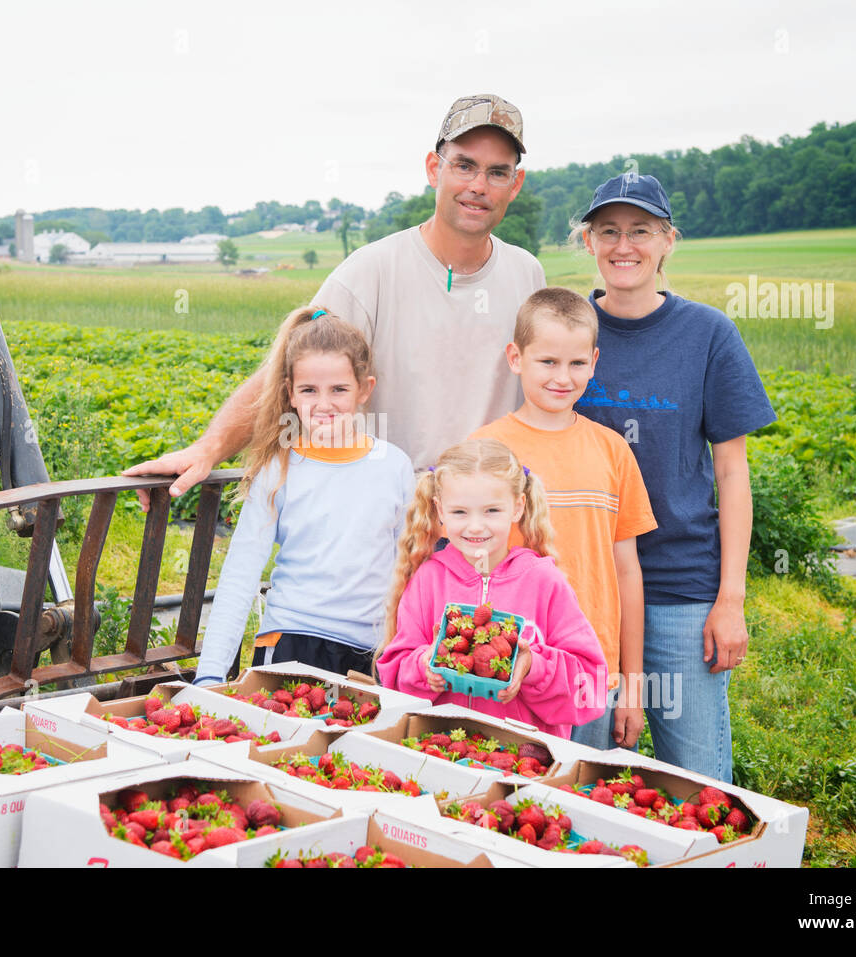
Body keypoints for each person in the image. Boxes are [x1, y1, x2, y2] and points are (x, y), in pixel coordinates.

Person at [124, 94, 546, 497]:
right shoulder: (370, 271)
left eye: (497, 172)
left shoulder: (527, 274)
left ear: (516, 184)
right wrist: (208, 449)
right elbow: (288, 370)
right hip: (393, 516)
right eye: (465, 166)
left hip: (488, 519)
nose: (479, 185)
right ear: (434, 169)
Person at [571, 173, 776, 782]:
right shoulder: (567, 330)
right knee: (588, 773)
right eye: (608, 231)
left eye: (641, 231)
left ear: (668, 241)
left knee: (697, 779)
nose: (623, 245)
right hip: (585, 586)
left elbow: (732, 471)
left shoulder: (708, 334)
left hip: (681, 584)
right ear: (589, 242)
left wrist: (730, 599)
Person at [470, 287, 656, 751]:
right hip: (507, 665)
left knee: (583, 799)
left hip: (591, 669)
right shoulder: (485, 450)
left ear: (594, 362)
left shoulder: (612, 449)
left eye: (576, 364)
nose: (563, 377)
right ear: (516, 358)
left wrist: (631, 686)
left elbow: (626, 570)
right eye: (547, 362)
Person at [191, 305, 414, 685]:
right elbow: (240, 575)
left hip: (370, 654)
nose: (324, 405)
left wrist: (401, 657)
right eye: (309, 390)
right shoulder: (279, 469)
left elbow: (408, 571)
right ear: (290, 394)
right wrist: (209, 674)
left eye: (339, 390)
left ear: (365, 390)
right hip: (289, 645)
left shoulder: (394, 466)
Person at [373, 438, 607, 738]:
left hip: (523, 762)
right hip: (441, 753)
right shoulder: (429, 579)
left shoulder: (544, 582)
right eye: (460, 512)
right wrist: (424, 665)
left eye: (491, 511)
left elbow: (591, 687)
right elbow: (394, 675)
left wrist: (534, 667)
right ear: (440, 510)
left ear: (518, 507)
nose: (475, 527)